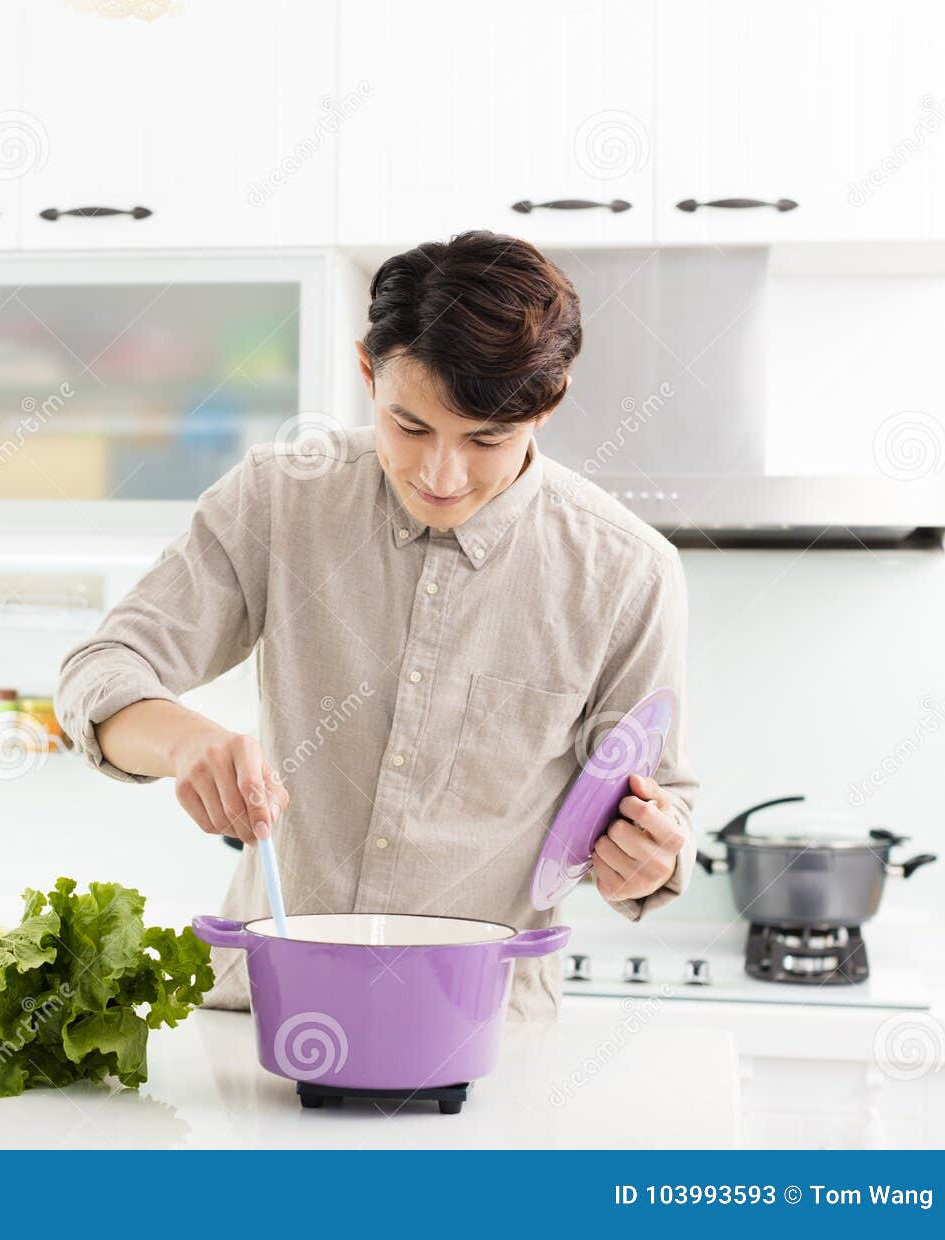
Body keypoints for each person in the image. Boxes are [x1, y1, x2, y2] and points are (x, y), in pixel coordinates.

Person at [55, 230, 696, 1018]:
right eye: (411, 426)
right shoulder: (283, 496)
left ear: (549, 401)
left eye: (486, 440)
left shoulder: (628, 571)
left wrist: (649, 856)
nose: (440, 474)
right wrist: (186, 742)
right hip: (269, 1011)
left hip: (478, 1026)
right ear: (367, 371)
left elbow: (656, 796)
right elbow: (101, 671)